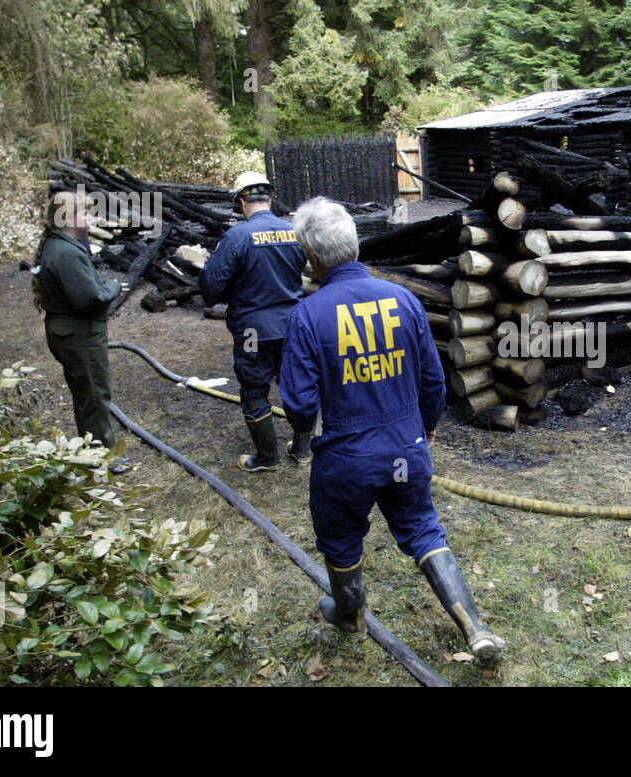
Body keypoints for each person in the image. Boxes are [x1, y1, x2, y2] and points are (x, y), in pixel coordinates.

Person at [281, 197, 506, 663]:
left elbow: (300, 404)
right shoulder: (404, 300)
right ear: (355, 245)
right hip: (407, 448)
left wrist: (307, 437)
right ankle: (476, 628)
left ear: (312, 257)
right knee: (424, 529)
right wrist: (424, 431)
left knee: (341, 538)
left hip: (344, 460)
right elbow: (432, 381)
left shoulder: (308, 314)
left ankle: (350, 617)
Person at [199, 172, 310, 472]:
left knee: (253, 389)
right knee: (297, 386)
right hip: (293, 326)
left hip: (252, 330)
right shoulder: (293, 232)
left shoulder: (237, 236)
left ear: (240, 201)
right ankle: (302, 450)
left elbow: (211, 285)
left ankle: (267, 457)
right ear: (269, 198)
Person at [33, 190, 130, 474]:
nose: (92, 218)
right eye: (86, 213)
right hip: (79, 334)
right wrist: (112, 288)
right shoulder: (65, 253)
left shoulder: (64, 245)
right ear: (68, 218)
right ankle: (102, 457)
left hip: (71, 332)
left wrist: (103, 287)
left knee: (86, 392)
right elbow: (90, 299)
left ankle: (91, 450)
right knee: (95, 395)